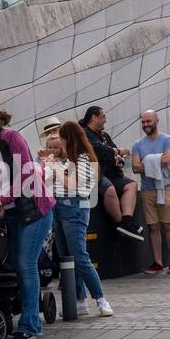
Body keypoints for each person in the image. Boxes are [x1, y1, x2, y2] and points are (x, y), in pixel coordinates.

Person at [0, 106, 56, 339]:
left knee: (25, 264)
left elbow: (26, 175)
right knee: (18, 266)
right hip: (11, 215)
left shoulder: (12, 139)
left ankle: (30, 325)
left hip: (34, 212)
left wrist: (5, 198)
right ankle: (25, 315)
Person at [49, 120, 112, 317]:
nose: (60, 143)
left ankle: (101, 299)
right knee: (66, 257)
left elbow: (73, 185)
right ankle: (78, 299)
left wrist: (55, 167)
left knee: (79, 255)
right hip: (57, 206)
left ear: (69, 138)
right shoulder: (66, 159)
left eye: (62, 138)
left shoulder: (84, 158)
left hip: (74, 207)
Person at [81, 106, 142, 239]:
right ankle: (120, 223)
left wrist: (116, 155)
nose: (105, 120)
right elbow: (102, 151)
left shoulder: (105, 136)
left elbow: (112, 151)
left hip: (112, 173)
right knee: (109, 189)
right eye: (103, 116)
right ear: (94, 117)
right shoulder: (85, 134)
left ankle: (127, 222)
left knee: (132, 185)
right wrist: (118, 152)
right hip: (94, 174)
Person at [131, 110, 170, 274]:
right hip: (147, 190)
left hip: (165, 188)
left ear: (156, 121)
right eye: (143, 122)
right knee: (153, 227)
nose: (146, 125)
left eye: (149, 121)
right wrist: (155, 162)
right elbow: (135, 167)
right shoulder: (137, 144)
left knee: (168, 225)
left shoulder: (167, 140)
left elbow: (167, 159)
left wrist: (147, 161)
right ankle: (157, 262)